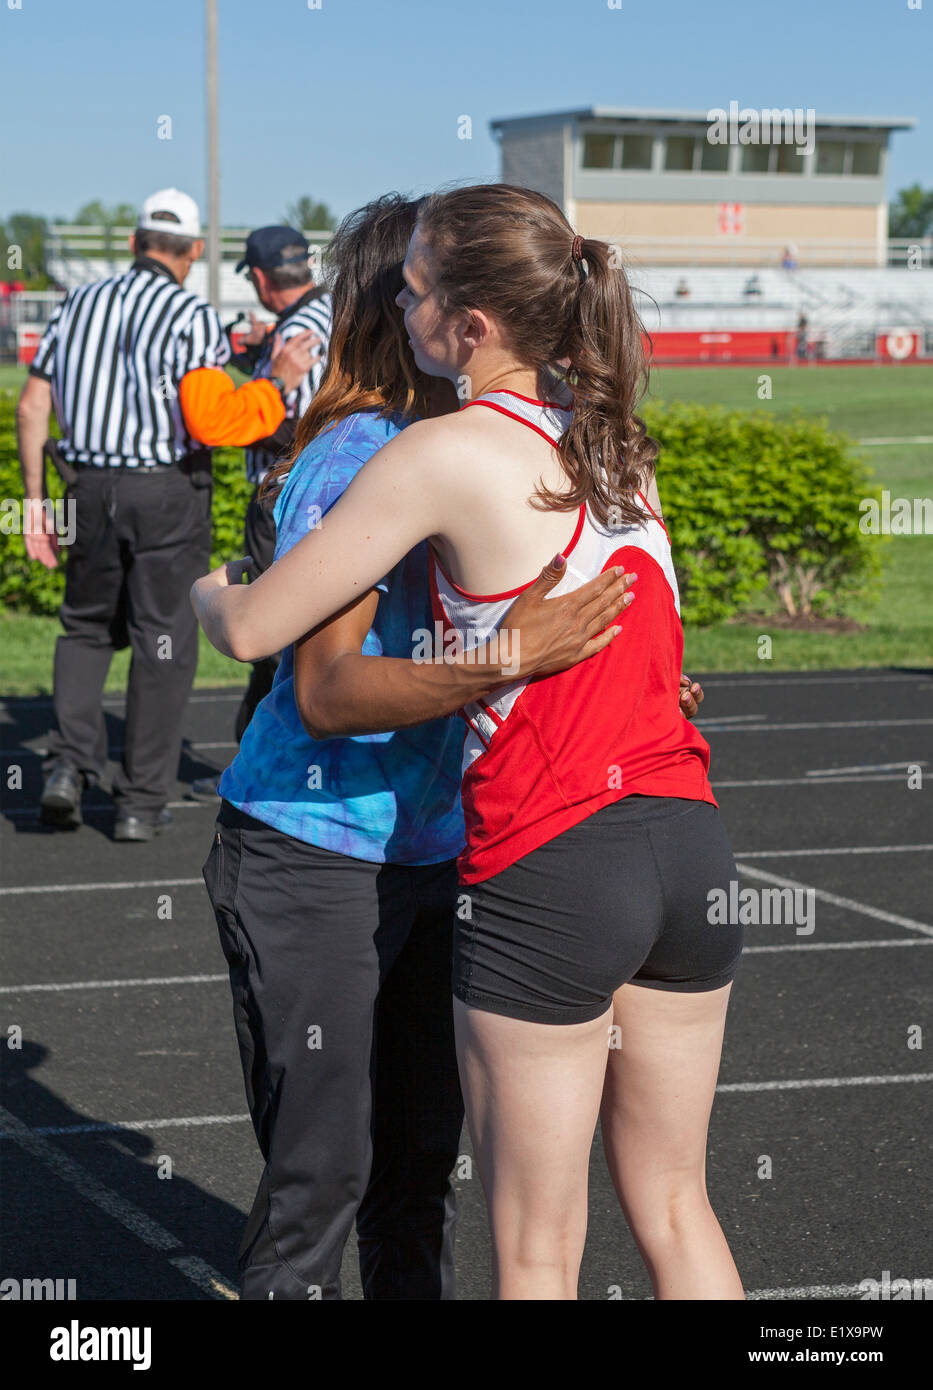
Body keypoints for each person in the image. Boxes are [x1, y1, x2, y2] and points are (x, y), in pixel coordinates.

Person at [191, 183, 744, 1300]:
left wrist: (208, 592)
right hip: (691, 849)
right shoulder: (615, 443)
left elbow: (263, 634)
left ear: (470, 323)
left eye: (416, 291)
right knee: (679, 1209)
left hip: (555, 858)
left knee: (535, 1250)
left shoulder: (437, 451)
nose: (399, 309)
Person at [17, 188, 316, 840]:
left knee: (83, 629)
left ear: (133, 242)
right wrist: (277, 386)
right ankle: (139, 802)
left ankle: (68, 766)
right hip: (164, 492)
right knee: (162, 643)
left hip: (87, 486)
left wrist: (34, 506)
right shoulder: (189, 312)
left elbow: (32, 406)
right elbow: (209, 422)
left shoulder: (78, 303)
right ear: (194, 252)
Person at [190, 227, 332, 800]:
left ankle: (261, 760)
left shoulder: (297, 331)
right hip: (329, 495)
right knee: (305, 628)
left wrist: (262, 387)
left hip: (283, 497)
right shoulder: (332, 309)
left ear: (261, 278)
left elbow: (292, 424)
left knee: (272, 629)